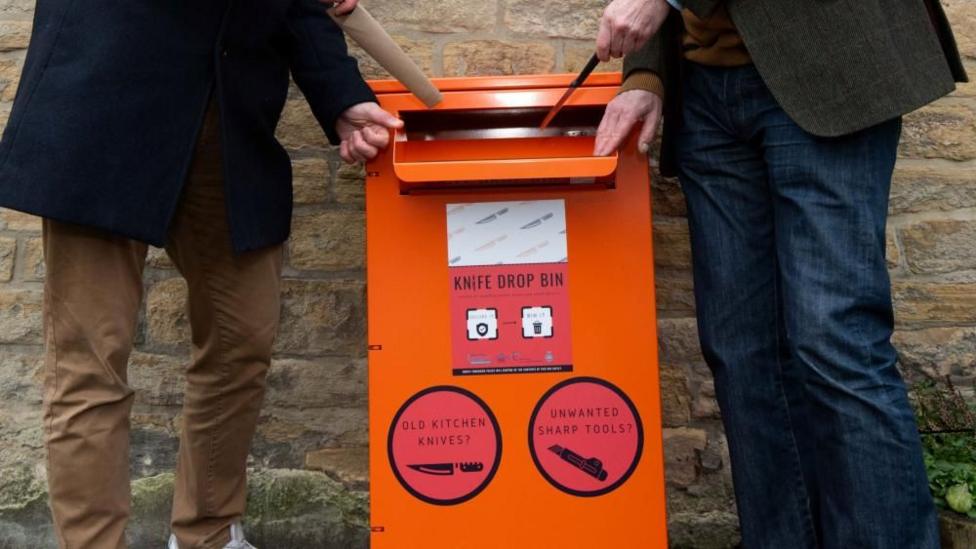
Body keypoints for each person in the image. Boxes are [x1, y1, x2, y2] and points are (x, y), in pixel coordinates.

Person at [0, 0, 399, 547]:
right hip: (102, 104)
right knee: (89, 364)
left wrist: (340, 93)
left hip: (230, 119)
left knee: (243, 342)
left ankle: (208, 533)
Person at [593, 0, 968, 547]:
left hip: (828, 71)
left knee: (834, 338)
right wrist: (645, 73)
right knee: (742, 350)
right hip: (705, 93)